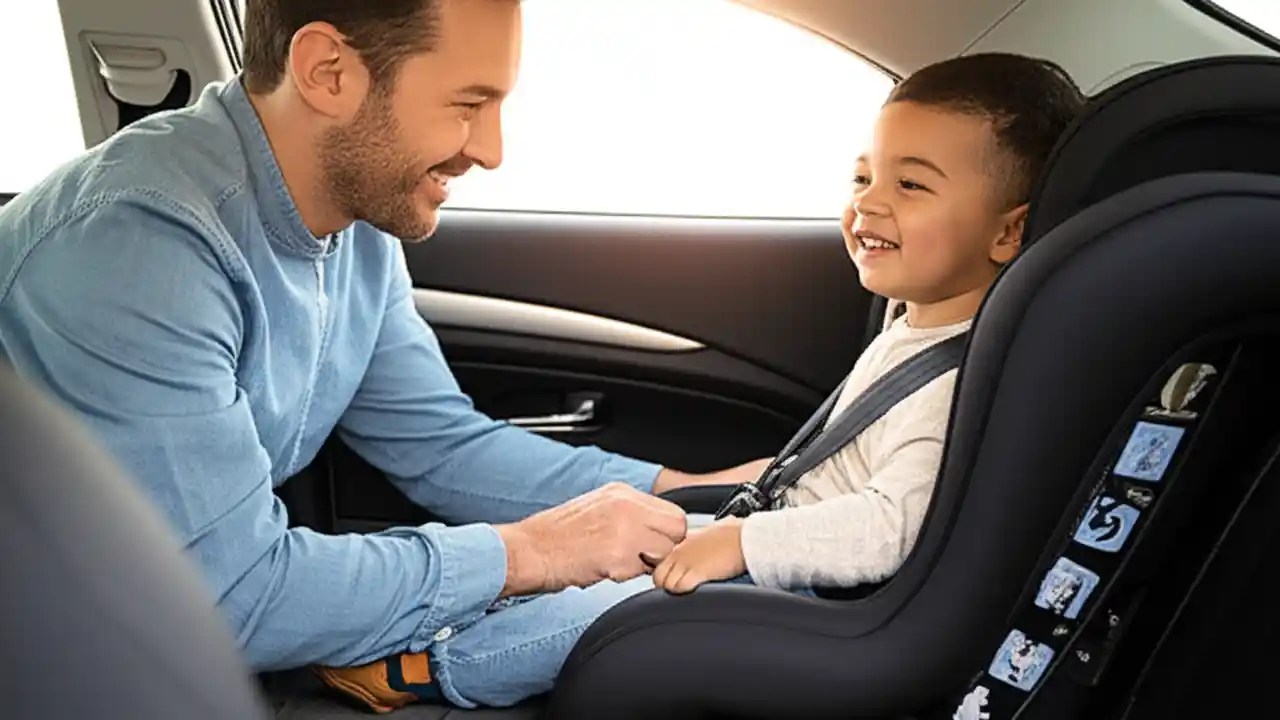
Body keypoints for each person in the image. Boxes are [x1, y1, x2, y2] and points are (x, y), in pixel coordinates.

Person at [0, 0, 759, 680]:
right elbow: (227, 598)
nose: (492, 150)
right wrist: (535, 552)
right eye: (469, 104)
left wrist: (693, 491)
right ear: (328, 71)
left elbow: (441, 446)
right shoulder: (138, 246)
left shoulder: (353, 225)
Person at [315, 51, 1087, 711]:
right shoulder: (920, 323)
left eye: (911, 186)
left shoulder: (956, 377)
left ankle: (430, 670)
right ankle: (412, 607)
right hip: (783, 539)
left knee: (607, 607)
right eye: (863, 176)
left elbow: (890, 528)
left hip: (812, 586)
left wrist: (740, 542)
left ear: (1009, 230)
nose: (868, 203)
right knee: (594, 543)